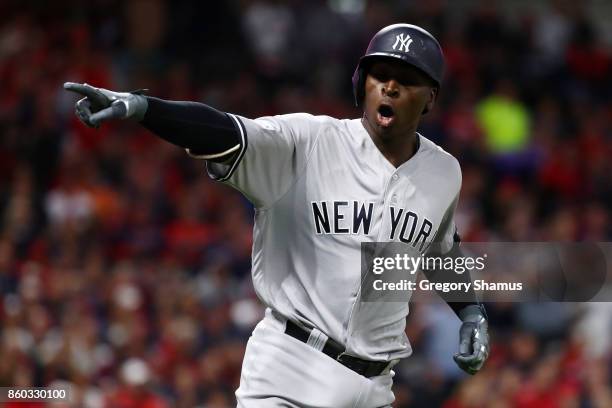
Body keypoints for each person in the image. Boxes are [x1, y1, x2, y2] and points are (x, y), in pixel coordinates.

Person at [65, 23, 489, 408]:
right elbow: (225, 130)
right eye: (380, 75)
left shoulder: (443, 172)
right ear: (362, 82)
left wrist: (471, 311)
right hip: (290, 369)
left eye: (408, 80)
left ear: (431, 97)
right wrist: (144, 107)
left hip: (376, 388)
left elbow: (438, 246)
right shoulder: (309, 141)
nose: (390, 87)